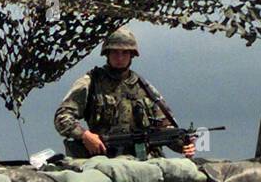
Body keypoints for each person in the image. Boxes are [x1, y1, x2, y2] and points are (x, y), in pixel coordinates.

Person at [53, 27, 196, 159]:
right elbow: (62, 117)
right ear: (107, 54)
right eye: (115, 52)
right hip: (104, 159)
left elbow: (165, 127)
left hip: (144, 160)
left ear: (132, 55)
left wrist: (182, 144)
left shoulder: (144, 88)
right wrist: (85, 136)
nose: (120, 58)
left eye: (125, 53)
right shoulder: (90, 82)